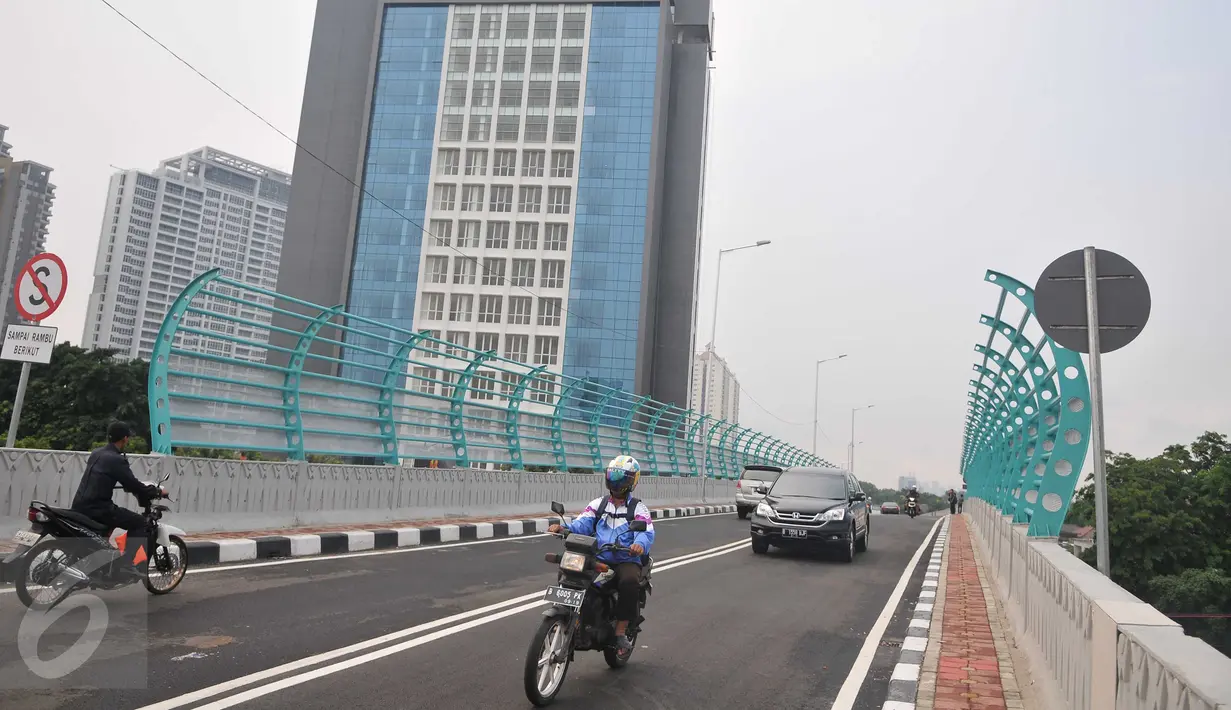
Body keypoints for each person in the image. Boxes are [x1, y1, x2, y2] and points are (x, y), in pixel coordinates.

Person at [548, 455, 655, 653]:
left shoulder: (638, 508)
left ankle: (621, 632)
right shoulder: (599, 504)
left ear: (632, 481)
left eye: (622, 478)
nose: (616, 482)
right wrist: (564, 528)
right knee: (571, 571)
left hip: (625, 558)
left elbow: (646, 531)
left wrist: (639, 544)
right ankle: (575, 617)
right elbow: (582, 523)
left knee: (629, 581)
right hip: (599, 555)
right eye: (613, 476)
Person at [71, 421, 161, 581]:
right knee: (141, 523)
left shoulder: (96, 453)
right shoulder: (116, 459)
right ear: (125, 438)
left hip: (79, 505)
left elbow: (102, 477)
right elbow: (133, 484)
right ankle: (125, 565)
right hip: (98, 508)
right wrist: (156, 491)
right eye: (128, 438)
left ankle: (103, 564)